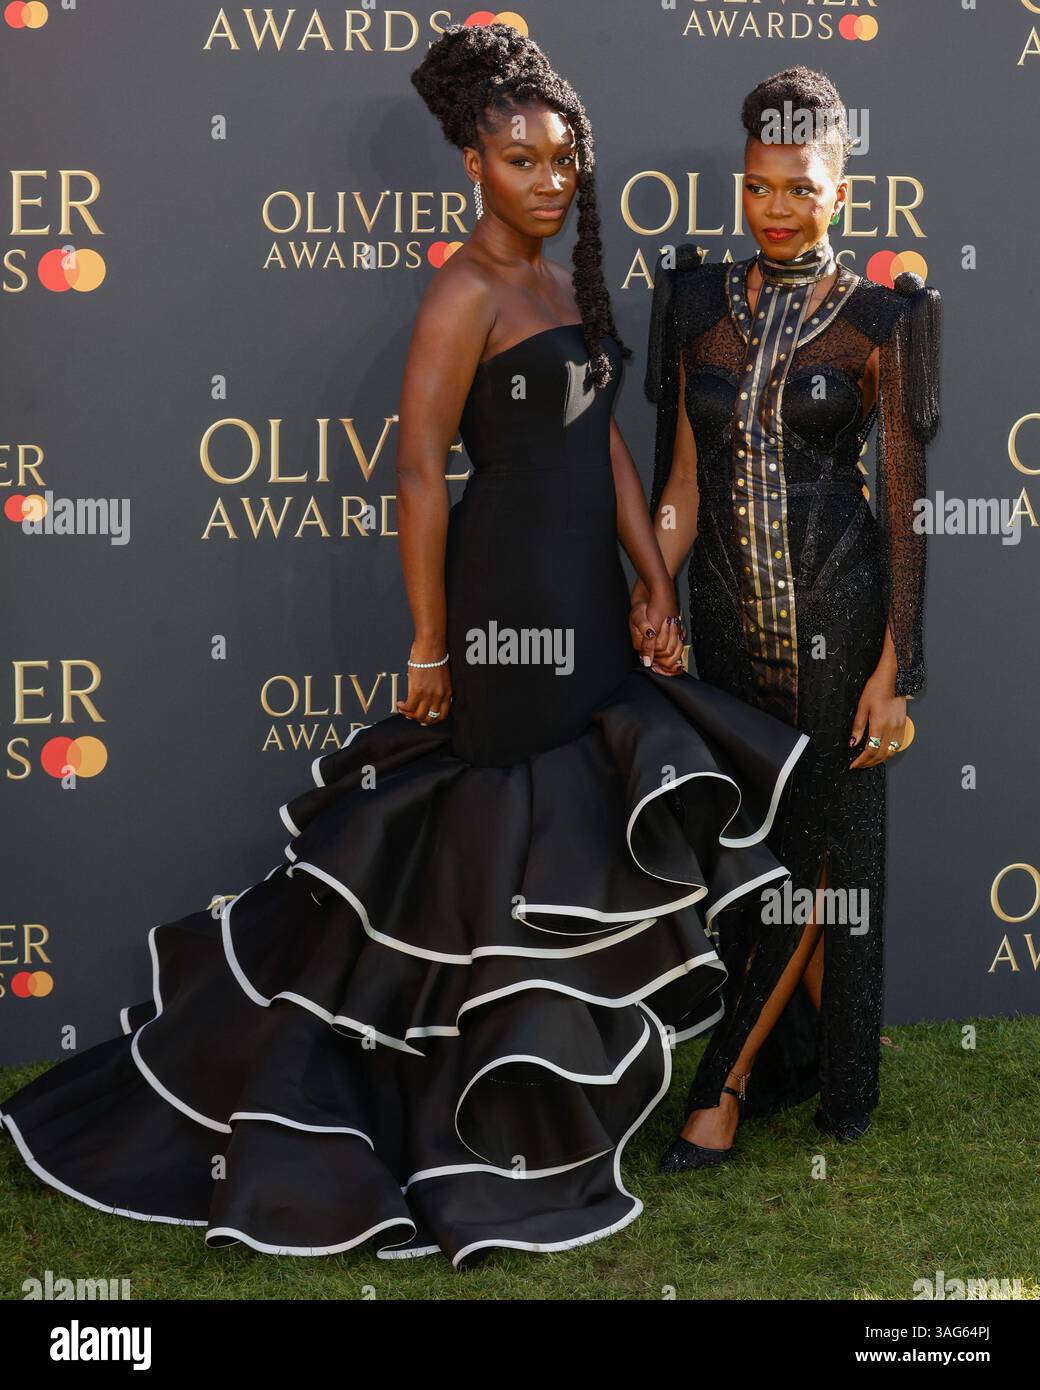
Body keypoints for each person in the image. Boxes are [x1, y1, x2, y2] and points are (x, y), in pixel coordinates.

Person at [0, 25, 808, 1268]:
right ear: (473, 168)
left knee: (557, 836)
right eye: (521, 159)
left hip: (586, 593)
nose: (548, 180)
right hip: (499, 600)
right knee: (488, 834)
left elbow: (598, 451)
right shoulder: (464, 291)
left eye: (562, 161)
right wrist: (431, 639)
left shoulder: (555, 286)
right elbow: (421, 475)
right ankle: (416, 1104)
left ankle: (534, 1098)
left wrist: (652, 581)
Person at [637, 66, 942, 1171]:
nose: (777, 207)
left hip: (841, 614)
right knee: (756, 855)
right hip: (721, 626)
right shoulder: (690, 306)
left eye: (800, 187)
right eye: (760, 186)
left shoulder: (883, 322)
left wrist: (894, 668)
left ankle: (716, 1092)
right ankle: (796, 1054)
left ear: (839, 192)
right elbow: (678, 482)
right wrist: (655, 583)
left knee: (819, 858)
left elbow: (905, 516)